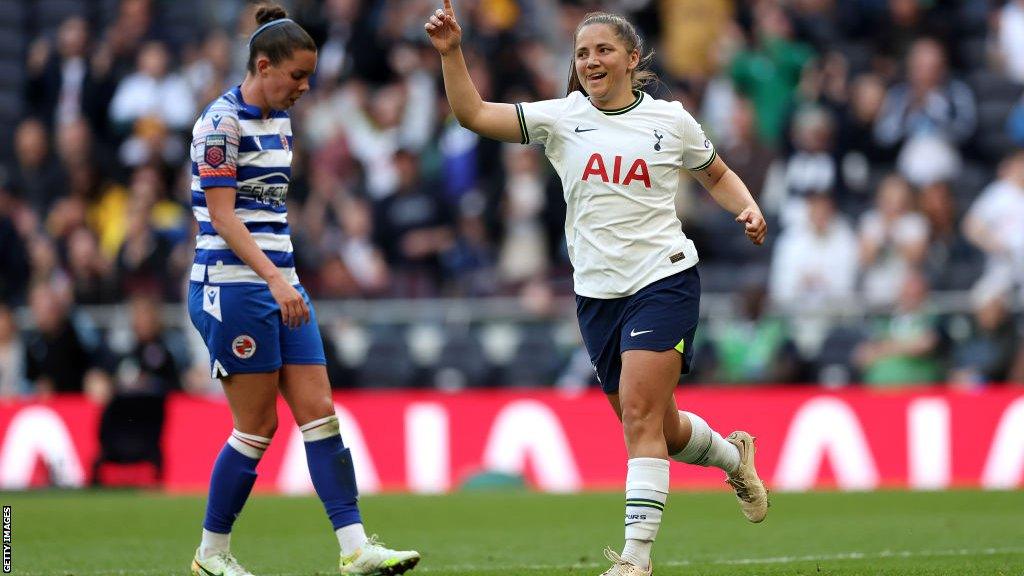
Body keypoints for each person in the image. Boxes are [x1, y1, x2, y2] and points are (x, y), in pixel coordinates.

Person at [425, 4, 769, 575]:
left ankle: (636, 560)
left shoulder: (671, 120)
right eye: (582, 53)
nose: (591, 61)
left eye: (603, 50)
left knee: (638, 416)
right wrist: (450, 52)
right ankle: (735, 458)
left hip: (664, 277)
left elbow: (716, 174)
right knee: (659, 425)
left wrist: (748, 206)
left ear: (633, 58)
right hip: (597, 294)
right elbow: (472, 114)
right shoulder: (562, 118)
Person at [186, 5, 419, 576]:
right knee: (257, 426)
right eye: (296, 76)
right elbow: (222, 217)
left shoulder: (282, 121)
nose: (305, 87)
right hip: (234, 286)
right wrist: (272, 278)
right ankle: (210, 554)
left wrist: (286, 276)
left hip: (281, 284)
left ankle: (355, 548)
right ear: (263, 66)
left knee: (320, 414)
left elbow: (268, 210)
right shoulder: (220, 124)